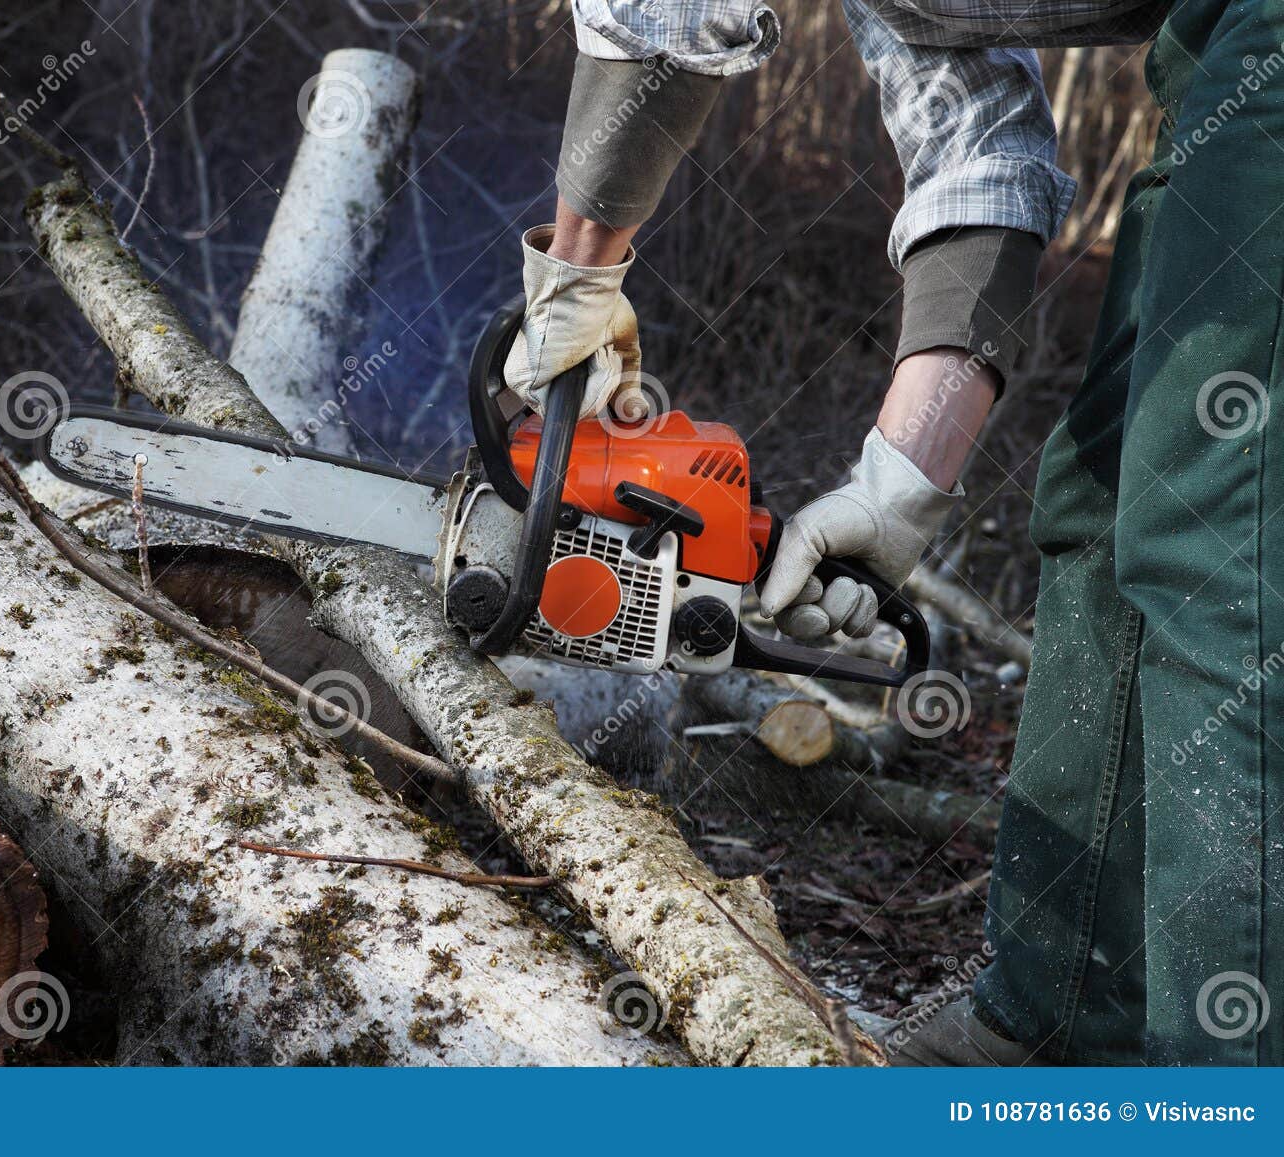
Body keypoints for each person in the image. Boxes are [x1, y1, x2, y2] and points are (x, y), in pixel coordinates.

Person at [505, 0, 1284, 1065]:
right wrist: (900, 480)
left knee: (1210, 537)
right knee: (1102, 504)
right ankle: (1049, 1022)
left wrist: (585, 264)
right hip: (1218, 47)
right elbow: (979, 152)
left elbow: (660, 18)